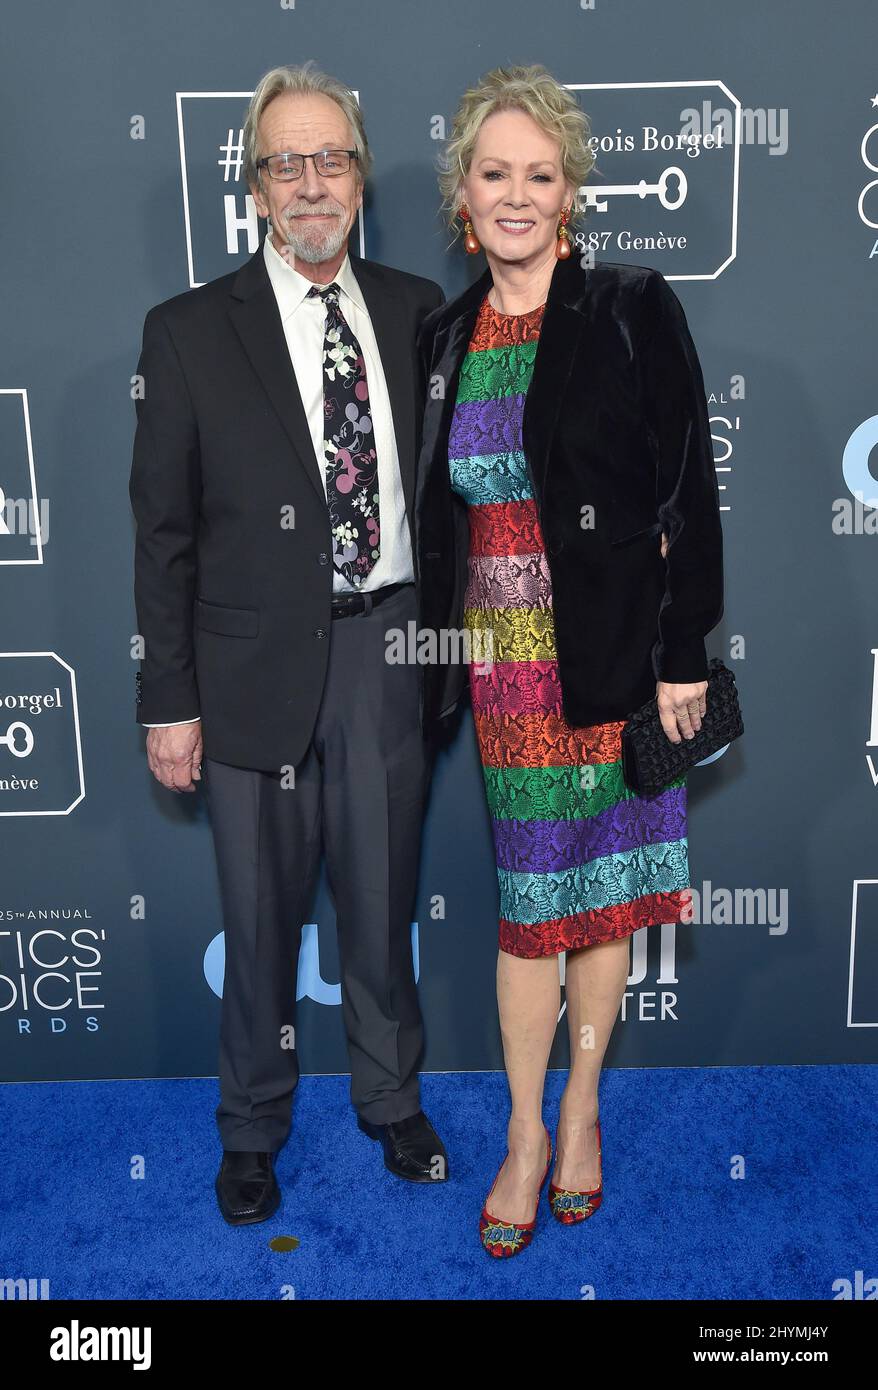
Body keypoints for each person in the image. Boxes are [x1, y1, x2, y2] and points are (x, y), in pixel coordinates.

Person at [130, 61, 447, 1226]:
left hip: (387, 650)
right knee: (258, 921)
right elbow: (161, 532)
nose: (312, 183)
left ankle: (390, 1099)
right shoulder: (185, 332)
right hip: (245, 666)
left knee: (378, 902)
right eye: (286, 163)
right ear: (255, 186)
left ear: (360, 175)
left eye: (333, 159)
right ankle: (253, 1126)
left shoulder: (422, 312)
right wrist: (168, 697)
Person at [415, 64, 724, 1256]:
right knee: (528, 909)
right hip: (502, 672)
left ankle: (581, 1114)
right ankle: (522, 1132)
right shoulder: (442, 336)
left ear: (569, 193)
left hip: (607, 655)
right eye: (494, 173)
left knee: (602, 904)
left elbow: (685, 490)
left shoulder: (630, 309)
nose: (515, 194)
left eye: (538, 175)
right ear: (462, 196)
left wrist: (681, 652)